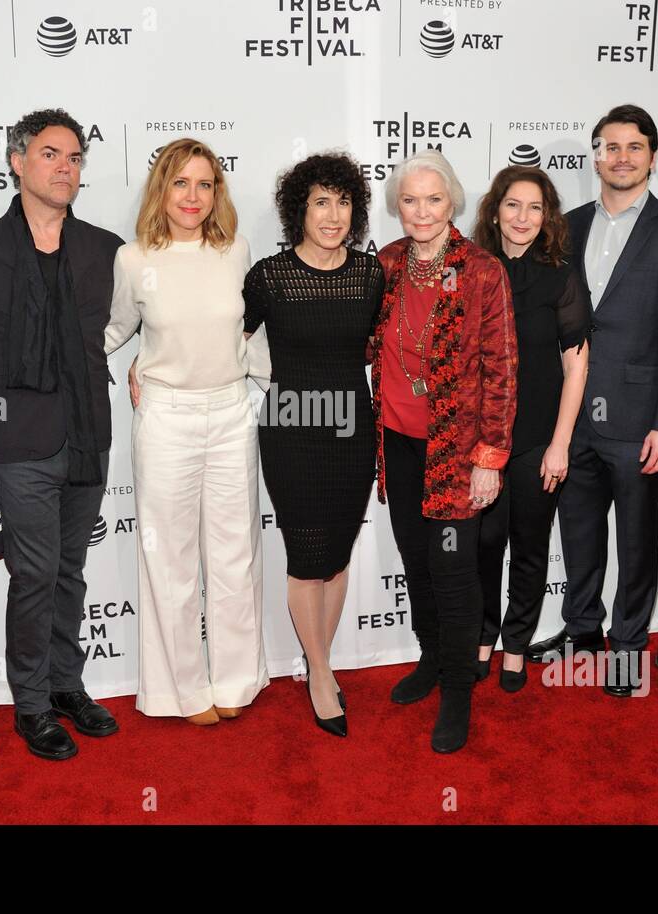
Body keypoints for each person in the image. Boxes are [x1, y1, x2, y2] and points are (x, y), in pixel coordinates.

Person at [0, 110, 122, 758]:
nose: (65, 167)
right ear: (17, 161)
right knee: (35, 574)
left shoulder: (105, 250)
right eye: (50, 153)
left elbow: (151, 321)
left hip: (89, 433)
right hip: (18, 438)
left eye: (75, 157)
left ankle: (64, 686)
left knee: (70, 572)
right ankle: (29, 704)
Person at [526, 104, 658, 697]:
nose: (621, 157)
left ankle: (629, 648)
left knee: (636, 541)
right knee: (579, 534)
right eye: (610, 147)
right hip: (572, 417)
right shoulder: (568, 226)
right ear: (596, 156)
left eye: (634, 147)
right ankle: (582, 633)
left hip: (639, 422)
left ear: (652, 158)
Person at [108, 137, 268, 725]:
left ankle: (236, 679)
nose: (193, 196)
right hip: (167, 416)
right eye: (181, 183)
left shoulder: (238, 251)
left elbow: (250, 337)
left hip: (231, 412)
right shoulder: (133, 260)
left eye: (205, 184)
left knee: (235, 555)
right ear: (161, 190)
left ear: (217, 192)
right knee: (168, 559)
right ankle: (180, 689)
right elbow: (114, 329)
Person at [373, 149, 515, 752]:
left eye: (434, 199)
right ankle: (432, 660)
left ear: (452, 201)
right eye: (410, 200)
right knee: (417, 563)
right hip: (400, 445)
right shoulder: (388, 264)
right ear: (397, 208)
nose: (422, 210)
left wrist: (489, 458)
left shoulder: (482, 269)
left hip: (456, 454)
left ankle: (458, 689)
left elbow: (502, 369)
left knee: (454, 573)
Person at [242, 152, 384, 737]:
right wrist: (150, 366)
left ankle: (315, 660)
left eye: (343, 201)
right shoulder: (269, 276)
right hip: (291, 428)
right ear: (298, 210)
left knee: (337, 555)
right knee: (306, 554)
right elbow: (220, 342)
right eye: (320, 202)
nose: (333, 215)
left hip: (352, 427)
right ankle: (322, 674)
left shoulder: (372, 274)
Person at [473, 165, 591, 693]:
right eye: (513, 205)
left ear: (547, 218)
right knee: (483, 545)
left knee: (529, 545)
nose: (523, 217)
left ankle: (516, 645)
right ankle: (482, 638)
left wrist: (560, 444)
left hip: (540, 438)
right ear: (494, 210)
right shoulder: (472, 270)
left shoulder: (560, 275)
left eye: (535, 207)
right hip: (482, 439)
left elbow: (577, 364)